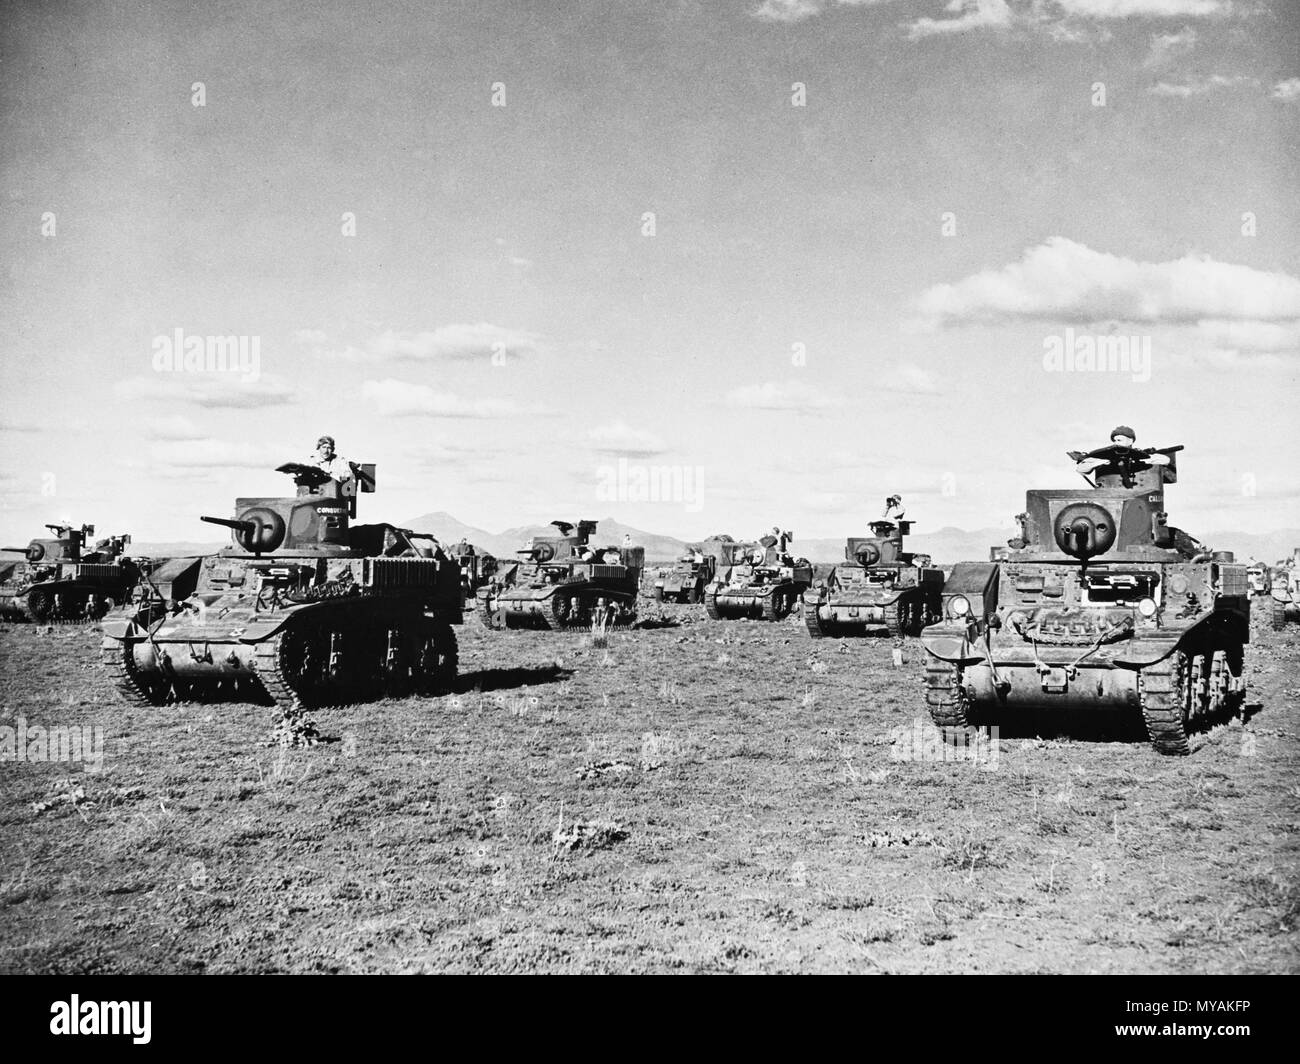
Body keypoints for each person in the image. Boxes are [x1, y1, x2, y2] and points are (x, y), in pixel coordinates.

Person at [1073, 426, 1170, 482]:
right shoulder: (1105, 455)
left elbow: (1165, 460)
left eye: (1119, 440)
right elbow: (1081, 469)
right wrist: (1098, 463)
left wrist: (1146, 459)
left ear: (1130, 441)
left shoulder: (1138, 454)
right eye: (1114, 440)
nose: (1116, 443)